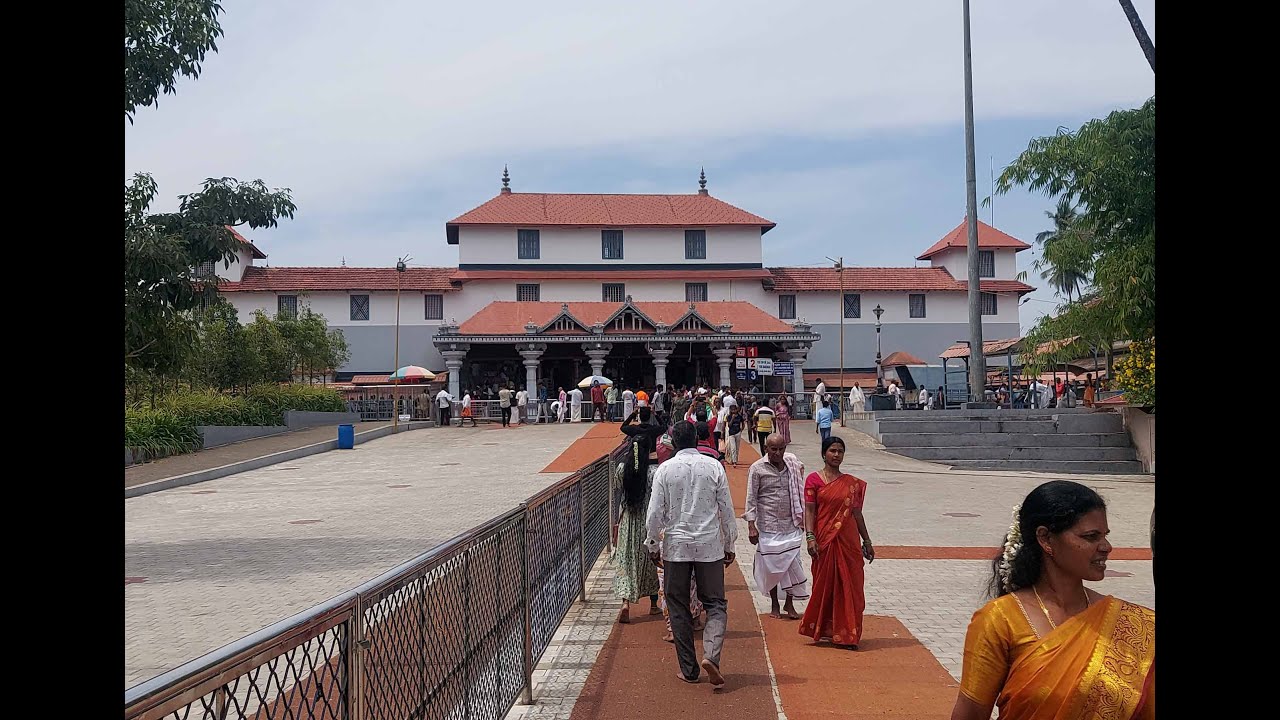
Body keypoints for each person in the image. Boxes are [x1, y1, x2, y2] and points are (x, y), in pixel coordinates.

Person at [950, 481, 1155, 720]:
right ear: (1045, 538)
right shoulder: (1000, 620)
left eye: (1105, 536)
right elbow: (970, 714)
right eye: (1091, 537)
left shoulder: (1134, 625)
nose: (1106, 547)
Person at [645, 421, 737, 687]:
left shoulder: (665, 470)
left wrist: (652, 545)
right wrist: (729, 544)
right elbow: (727, 510)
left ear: (673, 443)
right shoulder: (714, 467)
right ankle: (712, 655)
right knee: (716, 604)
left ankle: (689, 668)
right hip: (709, 546)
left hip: (676, 546)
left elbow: (654, 513)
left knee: (677, 605)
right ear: (698, 439)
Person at [799, 435, 874, 650]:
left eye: (840, 451)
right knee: (826, 586)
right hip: (824, 541)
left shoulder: (852, 484)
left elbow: (857, 514)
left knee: (851, 588)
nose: (836, 455)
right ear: (824, 454)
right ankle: (827, 630)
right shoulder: (814, 480)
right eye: (832, 450)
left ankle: (848, 634)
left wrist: (867, 541)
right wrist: (810, 537)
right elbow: (810, 511)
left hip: (848, 543)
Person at [746, 434, 809, 620]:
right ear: (766, 448)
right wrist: (751, 525)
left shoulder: (792, 465)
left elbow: (800, 481)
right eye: (774, 449)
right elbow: (751, 498)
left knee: (792, 564)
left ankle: (789, 603)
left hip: (791, 525)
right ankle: (774, 603)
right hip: (768, 527)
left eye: (781, 449)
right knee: (771, 567)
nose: (778, 453)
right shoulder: (757, 469)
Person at [612, 407, 663, 624]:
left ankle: (625, 602)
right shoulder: (656, 472)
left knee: (627, 560)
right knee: (651, 560)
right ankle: (653, 604)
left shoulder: (623, 469)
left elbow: (617, 488)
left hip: (628, 521)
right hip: (648, 522)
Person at [724, 403, 745, 467]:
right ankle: (734, 461)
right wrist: (732, 418)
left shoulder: (739, 416)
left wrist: (742, 429)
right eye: (732, 410)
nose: (733, 411)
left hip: (738, 432)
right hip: (731, 433)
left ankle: (736, 459)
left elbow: (743, 423)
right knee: (733, 448)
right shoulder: (729, 417)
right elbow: (729, 425)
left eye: (734, 410)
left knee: (737, 448)